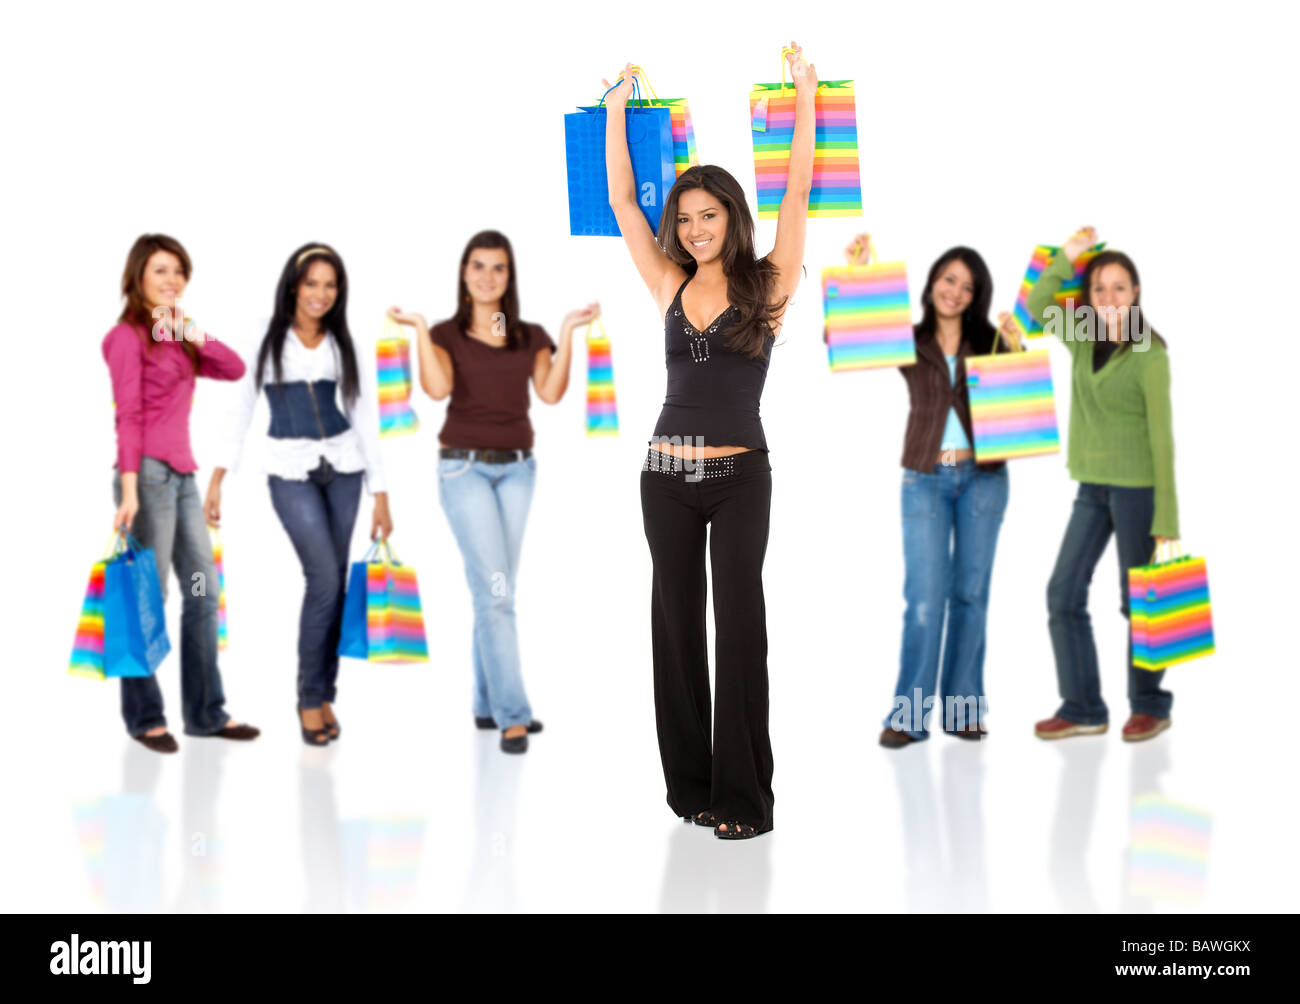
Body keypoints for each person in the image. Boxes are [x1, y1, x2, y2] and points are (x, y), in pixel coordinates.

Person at [602, 44, 815, 839]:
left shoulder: (769, 283)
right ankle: (690, 788)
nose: (693, 229)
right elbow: (624, 202)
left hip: (738, 478)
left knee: (741, 630)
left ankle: (743, 800)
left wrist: (801, 95)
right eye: (684, 219)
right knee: (676, 629)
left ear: (731, 215)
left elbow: (794, 190)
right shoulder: (668, 283)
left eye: (708, 215)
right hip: (663, 476)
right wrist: (620, 108)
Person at [388, 230, 596, 754]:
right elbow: (435, 391)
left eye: (497, 267)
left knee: (494, 592)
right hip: (465, 471)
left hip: (519, 471)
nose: (486, 276)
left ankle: (486, 702)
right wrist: (415, 329)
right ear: (464, 274)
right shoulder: (444, 334)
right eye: (477, 266)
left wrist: (569, 332)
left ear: (509, 276)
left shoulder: (528, 335)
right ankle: (512, 715)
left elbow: (550, 394)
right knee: (498, 594)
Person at [206, 243, 391, 746]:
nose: (321, 294)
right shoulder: (265, 340)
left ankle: (324, 692)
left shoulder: (341, 343)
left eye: (330, 285)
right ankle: (309, 698)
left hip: (347, 470)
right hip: (289, 473)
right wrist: (219, 476)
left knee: (337, 588)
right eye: (312, 283)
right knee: (325, 580)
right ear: (294, 285)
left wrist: (382, 492)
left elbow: (364, 417)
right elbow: (239, 408)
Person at [838, 238, 1012, 748]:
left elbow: (1019, 396)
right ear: (933, 281)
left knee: (971, 597)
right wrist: (861, 275)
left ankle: (962, 713)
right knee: (923, 601)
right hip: (925, 480)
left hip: (985, 477)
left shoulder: (992, 340)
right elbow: (847, 337)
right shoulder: (908, 339)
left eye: (967, 285)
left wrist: (1016, 347)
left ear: (976, 295)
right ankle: (910, 718)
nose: (955, 291)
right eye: (948, 279)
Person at [102, 233, 260, 753]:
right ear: (138, 278)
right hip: (145, 478)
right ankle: (145, 717)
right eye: (160, 271)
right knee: (152, 596)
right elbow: (127, 415)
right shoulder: (125, 337)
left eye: (178, 272)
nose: (172, 281)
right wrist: (128, 490)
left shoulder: (178, 335)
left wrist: (183, 327)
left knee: (200, 592)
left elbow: (234, 367)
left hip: (183, 477)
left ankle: (205, 713)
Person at [1026, 227, 1178, 743]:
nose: (1109, 298)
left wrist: (1168, 521)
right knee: (1062, 592)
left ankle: (1150, 705)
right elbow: (1038, 304)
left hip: (1138, 489)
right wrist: (1066, 257)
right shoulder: (1079, 333)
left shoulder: (1149, 355)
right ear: (1088, 297)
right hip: (1091, 485)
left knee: (1141, 601)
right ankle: (1084, 706)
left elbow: (1164, 438)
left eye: (1119, 287)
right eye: (1099, 288)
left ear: (1135, 293)